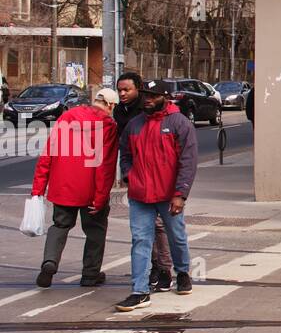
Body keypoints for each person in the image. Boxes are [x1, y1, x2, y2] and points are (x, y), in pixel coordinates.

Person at [115, 79, 197, 312]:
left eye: (153, 96)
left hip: (168, 194)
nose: (148, 99)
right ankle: (139, 291)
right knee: (140, 240)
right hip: (140, 194)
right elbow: (125, 153)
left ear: (165, 97)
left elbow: (188, 162)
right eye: (145, 95)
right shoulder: (135, 124)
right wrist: (129, 175)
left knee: (176, 237)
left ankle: (182, 272)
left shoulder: (179, 123)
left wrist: (180, 194)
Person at [31, 87, 119, 288]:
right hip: (90, 188)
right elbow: (105, 165)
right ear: (111, 105)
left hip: (62, 186)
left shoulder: (68, 116)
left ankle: (50, 262)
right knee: (95, 230)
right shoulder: (107, 125)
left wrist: (38, 188)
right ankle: (90, 274)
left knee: (60, 225)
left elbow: (48, 154)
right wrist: (100, 197)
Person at [115, 72, 175, 292]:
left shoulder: (148, 109)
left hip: (158, 177)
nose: (122, 93)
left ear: (138, 89)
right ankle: (154, 267)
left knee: (159, 226)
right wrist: (127, 173)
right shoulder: (120, 111)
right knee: (141, 231)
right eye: (119, 90)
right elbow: (124, 147)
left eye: (127, 90)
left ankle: (164, 269)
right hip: (138, 178)